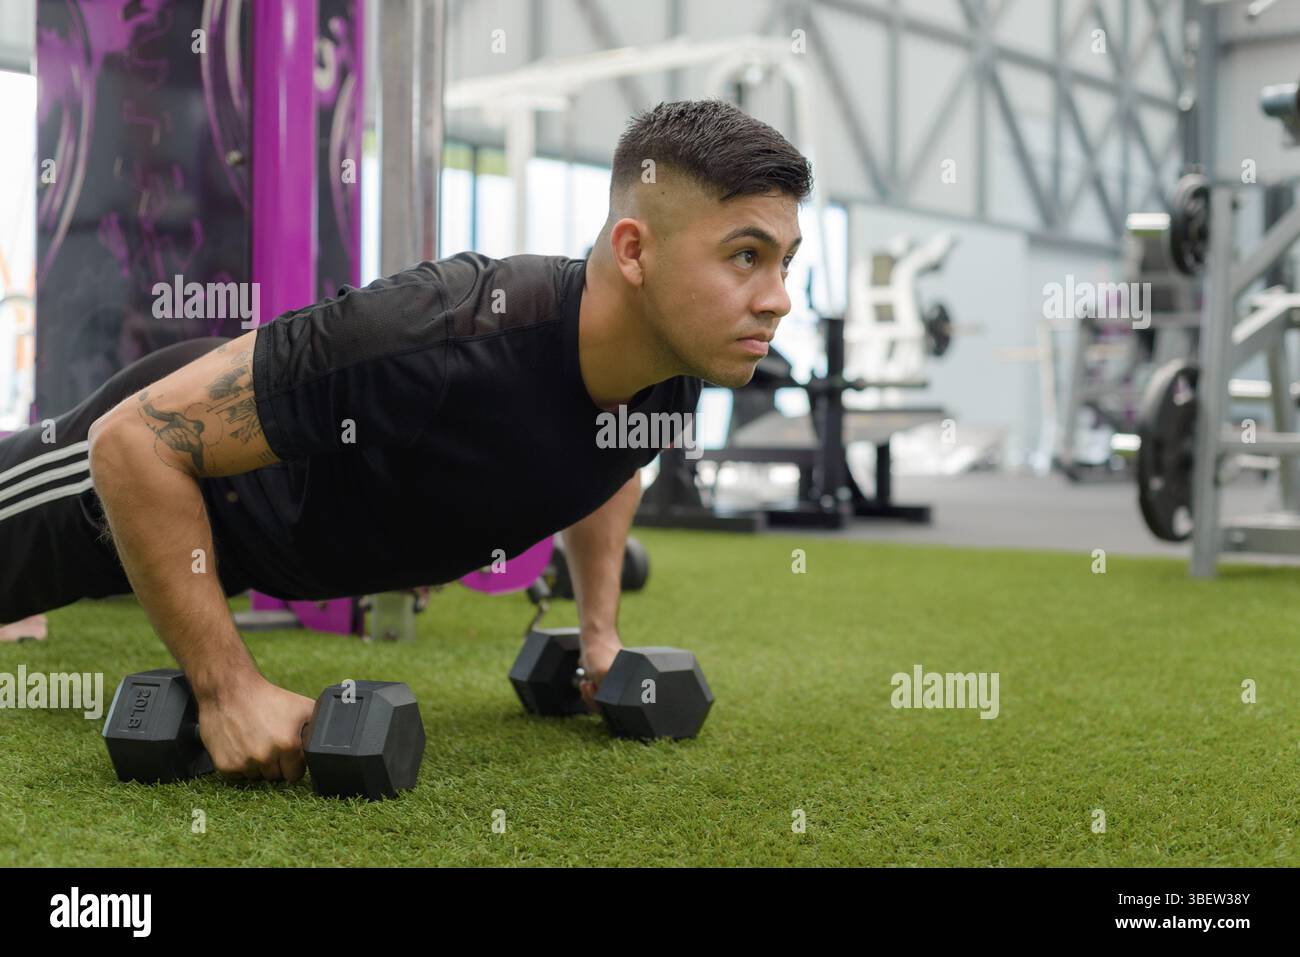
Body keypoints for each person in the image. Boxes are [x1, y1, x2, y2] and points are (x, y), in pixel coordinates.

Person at [0, 98, 810, 784]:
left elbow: (612, 463)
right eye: (746, 256)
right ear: (635, 250)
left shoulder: (675, 364)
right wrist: (226, 690)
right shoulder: (442, 334)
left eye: (786, 263)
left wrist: (598, 633)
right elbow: (131, 444)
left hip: (247, 548)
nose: (776, 299)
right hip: (168, 469)